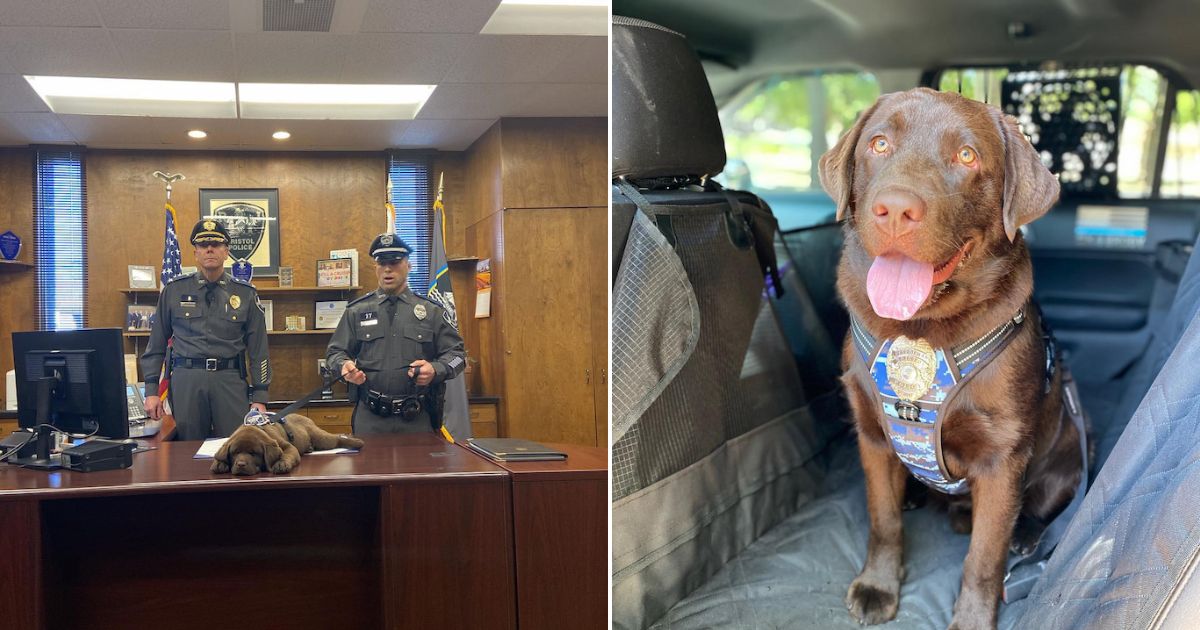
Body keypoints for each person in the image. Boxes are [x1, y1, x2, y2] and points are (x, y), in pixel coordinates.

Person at [140, 219, 271, 440]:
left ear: (226, 251)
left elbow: (259, 351)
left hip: (229, 380)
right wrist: (152, 391)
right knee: (187, 451)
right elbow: (156, 345)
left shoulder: (245, 294)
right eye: (203, 245)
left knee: (234, 447)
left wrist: (260, 396)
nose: (209, 249)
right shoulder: (174, 291)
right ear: (196, 252)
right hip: (187, 381)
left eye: (216, 244)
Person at [326, 233, 466, 434]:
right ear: (376, 267)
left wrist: (436, 369)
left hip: (417, 418)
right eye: (381, 263)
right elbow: (334, 354)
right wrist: (343, 366)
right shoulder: (357, 311)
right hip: (370, 418)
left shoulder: (431, 311)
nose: (388, 269)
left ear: (408, 265)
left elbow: (458, 357)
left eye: (395, 262)